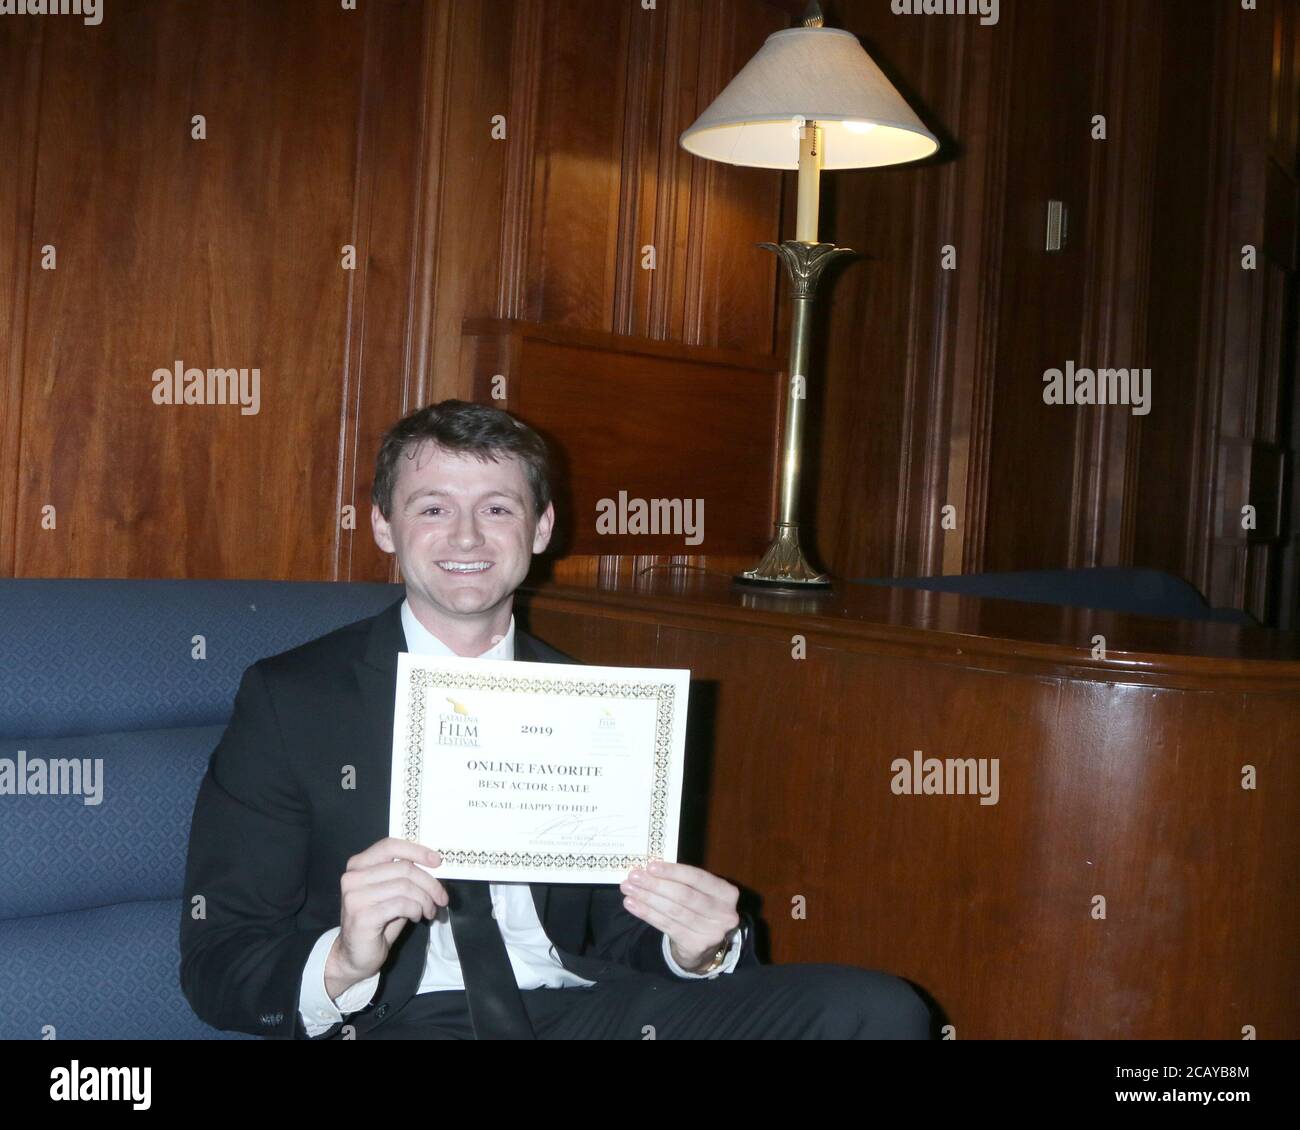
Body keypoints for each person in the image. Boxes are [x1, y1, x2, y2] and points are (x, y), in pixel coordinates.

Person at [179, 399, 933, 1040]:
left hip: (581, 1008)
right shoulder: (291, 699)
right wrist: (347, 958)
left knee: (876, 1011)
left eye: (497, 509)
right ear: (384, 528)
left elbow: (626, 934)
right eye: (433, 508)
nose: (467, 537)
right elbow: (218, 960)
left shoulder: (597, 705)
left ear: (540, 530)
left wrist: (694, 949)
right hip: (399, 1020)